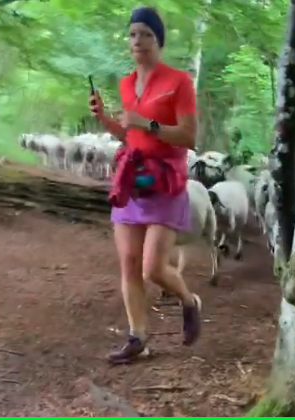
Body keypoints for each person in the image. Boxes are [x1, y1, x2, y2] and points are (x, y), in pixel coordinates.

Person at [89, 6, 202, 365]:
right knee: (128, 263)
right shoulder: (126, 83)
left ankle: (189, 300)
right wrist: (105, 118)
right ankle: (138, 338)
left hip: (166, 181)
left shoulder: (178, 82)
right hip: (133, 179)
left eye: (146, 34)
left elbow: (189, 136)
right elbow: (130, 135)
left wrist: (148, 123)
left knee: (153, 268)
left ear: (159, 40)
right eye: (134, 34)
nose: (138, 41)